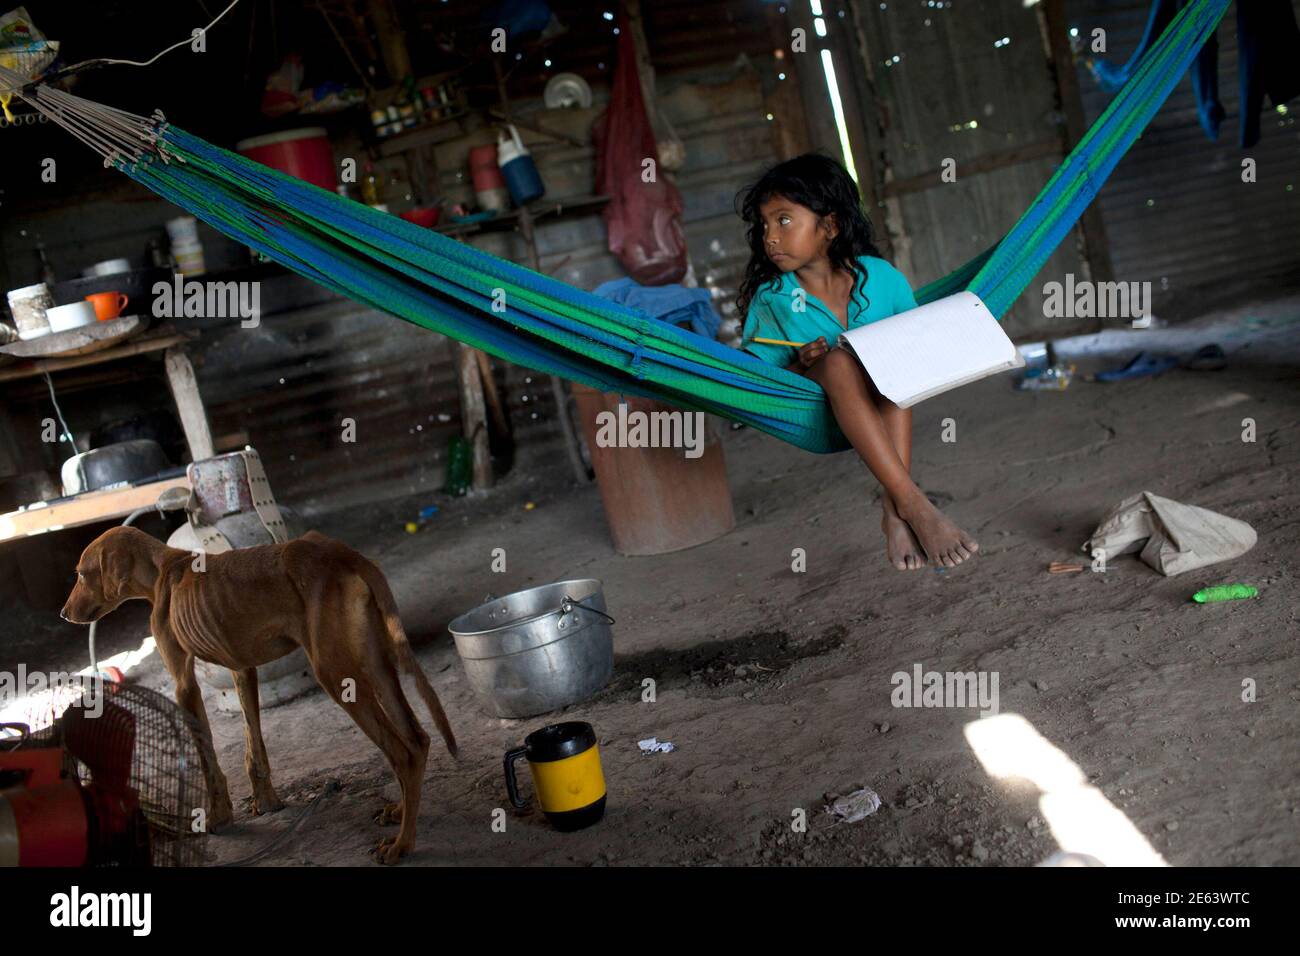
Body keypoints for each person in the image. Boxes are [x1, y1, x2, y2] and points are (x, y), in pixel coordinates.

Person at [736, 154, 978, 570]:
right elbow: (758, 379)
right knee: (840, 364)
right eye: (764, 226)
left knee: (882, 356)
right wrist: (800, 363)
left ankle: (893, 510)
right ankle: (914, 505)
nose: (769, 237)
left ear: (829, 226)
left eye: (783, 221)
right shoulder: (773, 299)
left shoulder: (880, 277)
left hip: (889, 394)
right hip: (817, 409)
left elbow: (916, 341)